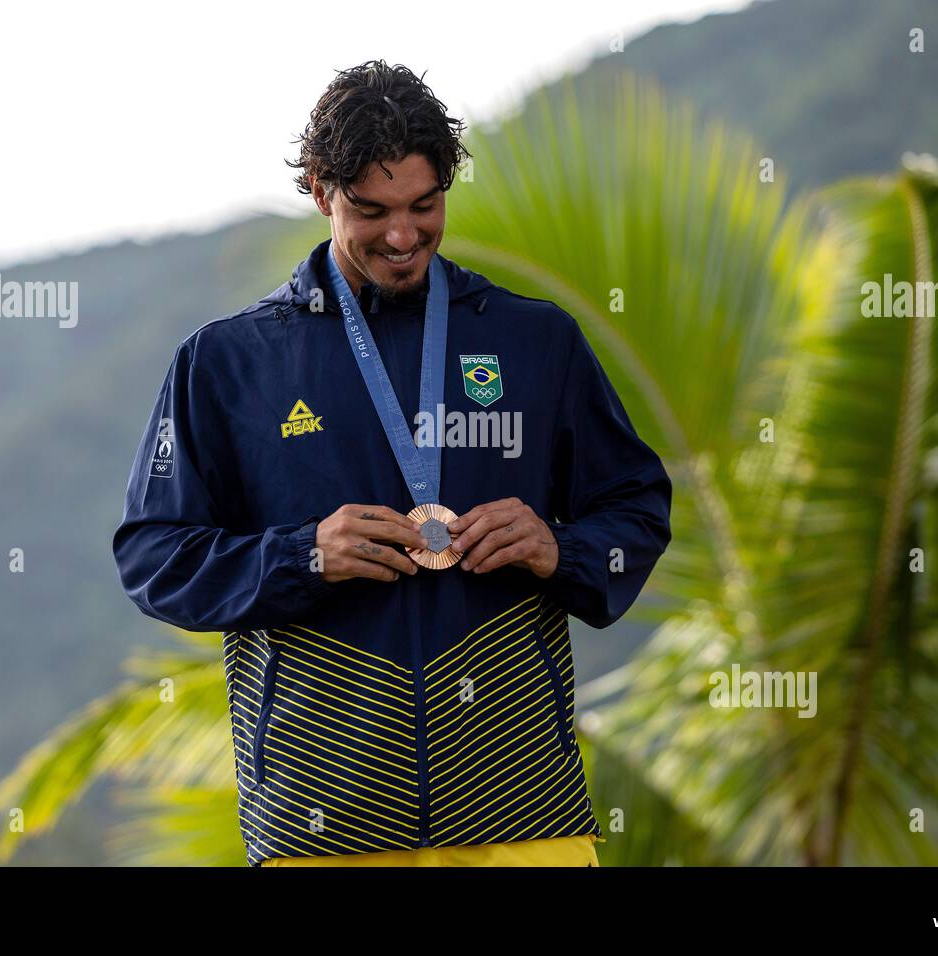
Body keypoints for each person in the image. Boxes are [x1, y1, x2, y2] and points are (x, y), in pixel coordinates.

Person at [111, 59, 672, 868]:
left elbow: (637, 507)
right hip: (323, 822)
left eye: (425, 206)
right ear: (318, 189)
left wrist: (561, 547)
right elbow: (153, 555)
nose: (404, 237)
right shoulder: (227, 364)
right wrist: (302, 554)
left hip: (521, 811)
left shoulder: (533, 340)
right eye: (371, 211)